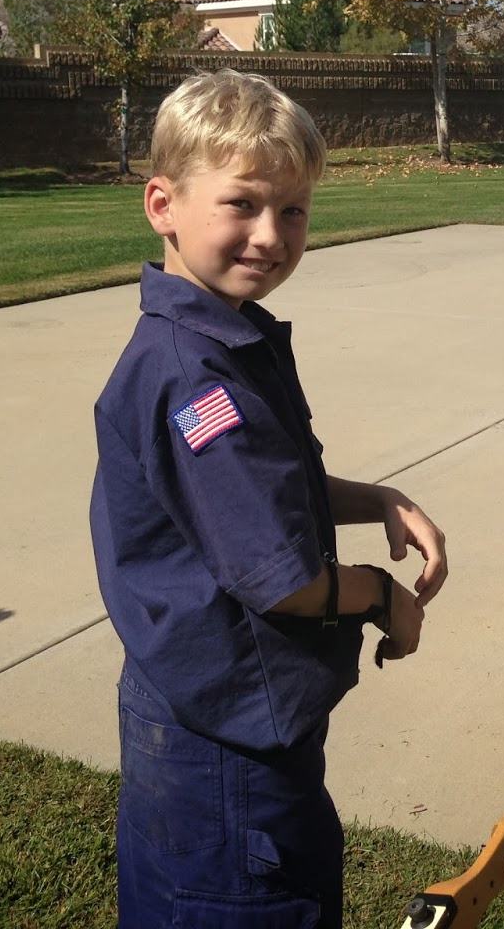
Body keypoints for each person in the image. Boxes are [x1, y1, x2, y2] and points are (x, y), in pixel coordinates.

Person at [89, 67, 448, 927]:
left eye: (293, 211)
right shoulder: (197, 380)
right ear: (162, 204)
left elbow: (254, 493)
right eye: (242, 205)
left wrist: (375, 498)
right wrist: (382, 595)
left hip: (196, 709)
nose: (270, 235)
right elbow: (280, 579)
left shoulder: (213, 338)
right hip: (227, 743)